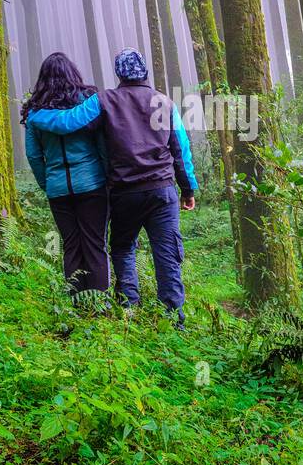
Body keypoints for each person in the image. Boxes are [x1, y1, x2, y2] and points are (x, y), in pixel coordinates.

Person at [26, 48, 197, 322]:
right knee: (167, 252)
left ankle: (129, 307)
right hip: (162, 190)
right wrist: (188, 189)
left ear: (118, 74)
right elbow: (180, 149)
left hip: (124, 192)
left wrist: (35, 115)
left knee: (122, 248)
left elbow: (67, 121)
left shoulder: (104, 101)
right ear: (145, 72)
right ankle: (174, 316)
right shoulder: (164, 103)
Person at [21, 53, 110, 295]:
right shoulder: (87, 104)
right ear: (73, 74)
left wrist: (47, 182)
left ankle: (75, 303)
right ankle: (99, 305)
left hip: (57, 188)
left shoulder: (35, 114)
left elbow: (34, 155)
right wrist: (106, 175)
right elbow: (102, 145)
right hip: (92, 184)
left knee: (71, 246)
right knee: (95, 245)